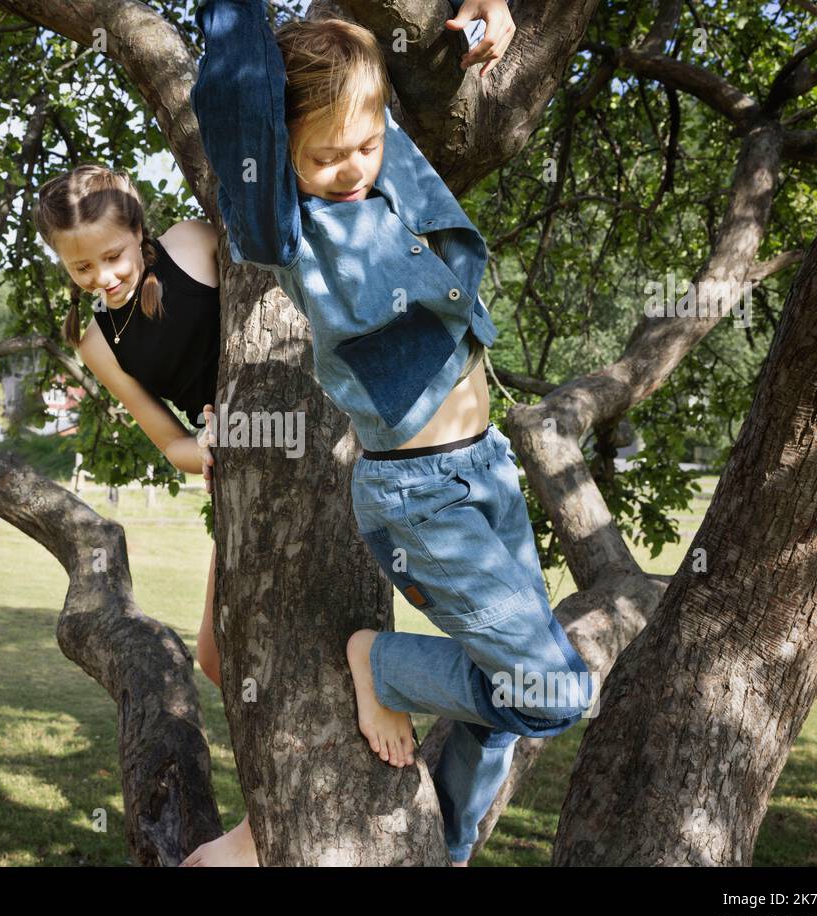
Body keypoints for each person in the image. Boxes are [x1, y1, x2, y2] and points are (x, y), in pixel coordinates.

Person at [190, 0, 592, 865]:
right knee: (552, 691)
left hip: (487, 471)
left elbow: (373, 80)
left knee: (501, 706)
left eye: (364, 146)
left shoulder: (386, 159)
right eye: (323, 157)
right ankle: (380, 662)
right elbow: (239, 100)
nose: (349, 169)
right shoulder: (290, 231)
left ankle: (444, 844)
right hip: (420, 496)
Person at [35, 165, 258, 865]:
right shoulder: (98, 342)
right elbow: (172, 444)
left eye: (112, 256)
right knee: (218, 658)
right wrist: (210, 444)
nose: (101, 276)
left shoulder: (194, 242)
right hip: (239, 475)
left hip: (305, 434)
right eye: (80, 267)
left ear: (138, 231)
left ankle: (260, 835)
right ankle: (270, 818)